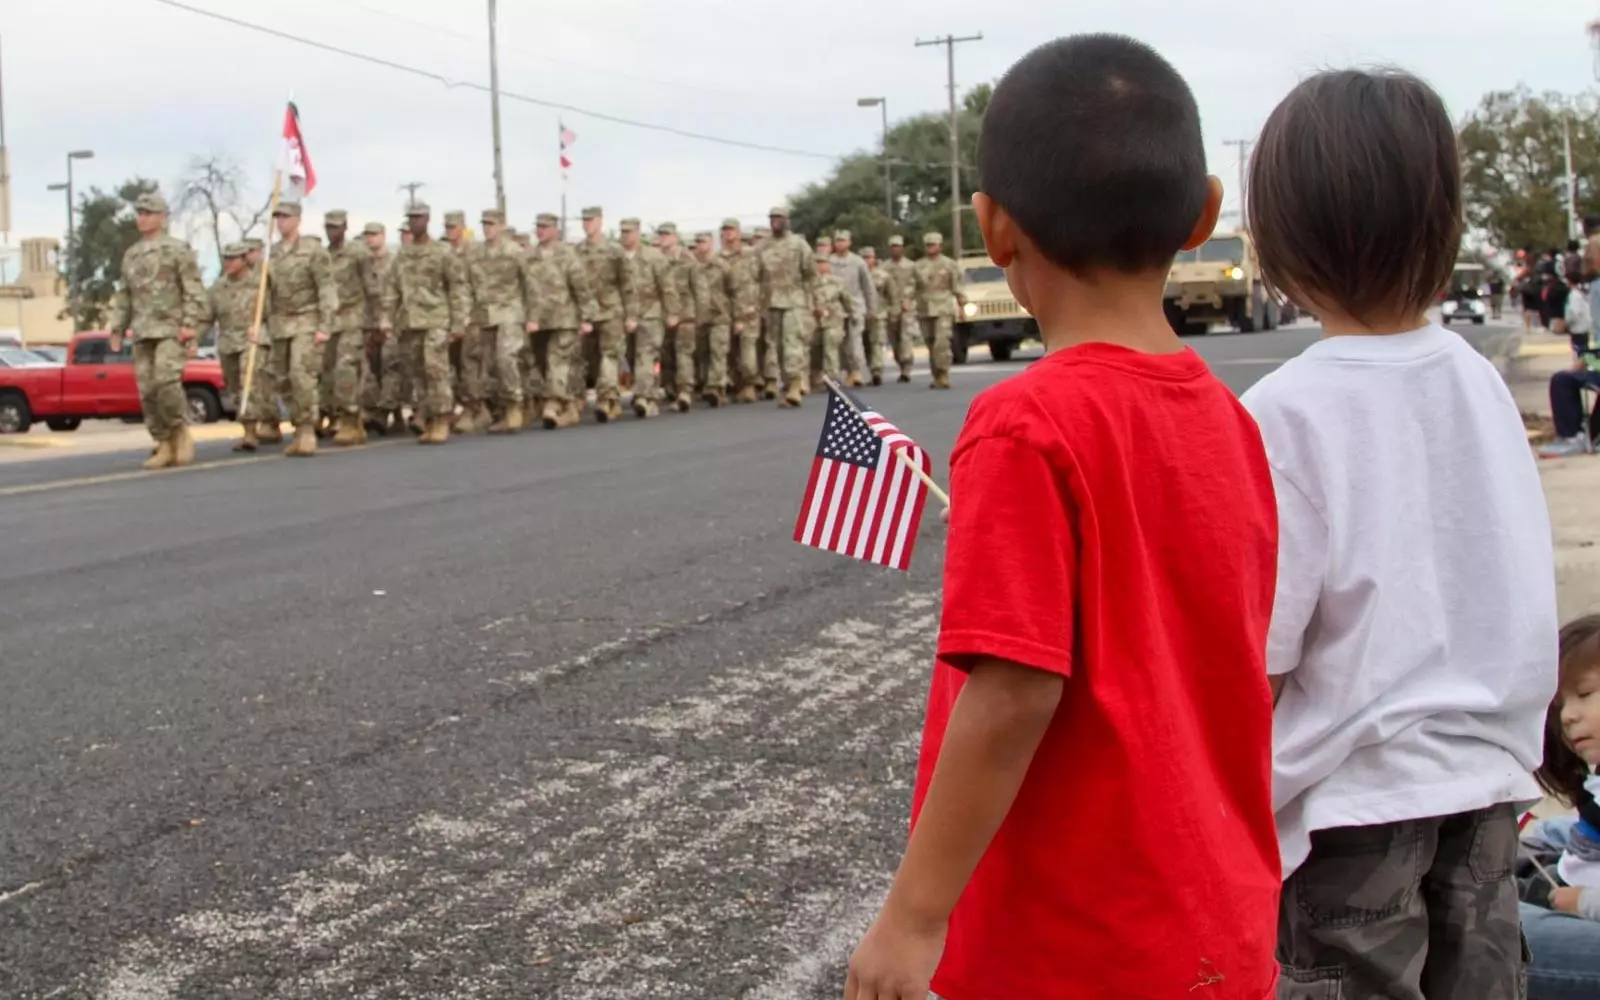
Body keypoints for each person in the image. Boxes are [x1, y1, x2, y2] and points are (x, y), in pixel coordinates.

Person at [845, 35, 1280, 1000]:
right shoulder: (1231, 421)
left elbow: (1011, 694)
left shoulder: (1024, 424)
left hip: (1071, 948)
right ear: (1204, 213)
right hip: (1218, 922)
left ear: (994, 230)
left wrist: (913, 917)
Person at [1241, 68, 1557, 997]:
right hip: (1486, 789)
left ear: (1282, 240)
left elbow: (1259, 648)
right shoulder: (1476, 380)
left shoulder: (1284, 412)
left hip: (1350, 808)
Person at [107, 192, 206, 470]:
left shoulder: (177, 250)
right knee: (147, 390)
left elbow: (194, 289)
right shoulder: (132, 255)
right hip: (142, 331)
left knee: (166, 382)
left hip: (171, 330)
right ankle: (163, 442)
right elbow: (124, 295)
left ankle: (179, 431)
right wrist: (117, 327)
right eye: (139, 213)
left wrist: (191, 324)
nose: (143, 218)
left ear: (162, 217)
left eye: (149, 213)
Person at [380, 202, 470, 444]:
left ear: (427, 220)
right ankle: (427, 415)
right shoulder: (403, 255)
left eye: (418, 218)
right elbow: (391, 289)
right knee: (417, 373)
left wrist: (459, 323)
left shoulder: (442, 252)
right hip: (409, 322)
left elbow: (457, 287)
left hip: (436, 320)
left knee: (436, 369)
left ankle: (441, 417)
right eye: (410, 218)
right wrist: (386, 318)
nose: (414, 222)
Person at [264, 199, 336, 458]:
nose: (280, 221)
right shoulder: (271, 253)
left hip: (307, 319)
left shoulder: (312, 250)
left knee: (300, 373)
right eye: (277, 217)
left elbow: (326, 288)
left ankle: (307, 429)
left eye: (285, 216)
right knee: (283, 379)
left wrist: (325, 325)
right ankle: (297, 425)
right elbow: (265, 292)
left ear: (297, 219)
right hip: (280, 323)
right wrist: (258, 323)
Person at [466, 209, 536, 434]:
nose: (488, 228)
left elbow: (530, 285)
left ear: (502, 225)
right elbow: (468, 285)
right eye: (485, 224)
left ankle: (515, 405)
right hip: (485, 315)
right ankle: (502, 410)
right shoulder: (476, 253)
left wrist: (532, 316)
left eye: (492, 224)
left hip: (510, 313)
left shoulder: (515, 252)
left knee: (506, 357)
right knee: (491, 365)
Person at [525, 211, 596, 430]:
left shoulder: (567, 255)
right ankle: (570, 405)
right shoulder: (529, 256)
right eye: (538, 226)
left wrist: (587, 316)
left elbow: (581, 288)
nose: (540, 231)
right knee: (543, 363)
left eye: (545, 227)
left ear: (556, 230)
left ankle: (554, 405)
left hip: (564, 319)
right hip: (538, 321)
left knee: (558, 362)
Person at [204, 242, 274, 452]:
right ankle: (258, 423)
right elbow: (207, 317)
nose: (229, 263)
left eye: (233, 259)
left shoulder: (259, 285)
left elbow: (272, 313)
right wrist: (192, 340)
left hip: (252, 340)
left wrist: (261, 328)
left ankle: (251, 432)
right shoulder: (218, 288)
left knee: (249, 384)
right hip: (228, 343)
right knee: (234, 387)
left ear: (244, 260)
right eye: (226, 258)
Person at [573, 206, 639, 424]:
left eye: (591, 220)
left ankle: (606, 399)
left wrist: (631, 315)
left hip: (611, 311)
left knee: (609, 356)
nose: (587, 224)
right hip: (588, 314)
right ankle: (610, 398)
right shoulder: (577, 251)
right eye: (584, 220)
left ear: (600, 221)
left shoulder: (614, 250)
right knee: (592, 360)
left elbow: (627, 284)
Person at [323, 210, 379, 446]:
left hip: (353, 319)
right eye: (328, 227)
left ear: (345, 227)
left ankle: (350, 417)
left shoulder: (358, 253)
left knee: (346, 368)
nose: (332, 232)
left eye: (336, 227)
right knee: (329, 373)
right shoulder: (323, 256)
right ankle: (346, 418)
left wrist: (376, 322)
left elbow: (372, 288)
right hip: (330, 321)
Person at [755, 205, 817, 408]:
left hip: (795, 302)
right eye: (772, 217)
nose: (775, 221)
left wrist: (812, 302)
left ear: (787, 220)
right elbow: (755, 276)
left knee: (792, 345)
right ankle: (787, 383)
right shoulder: (762, 247)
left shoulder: (799, 244)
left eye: (779, 217)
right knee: (778, 348)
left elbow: (810, 274)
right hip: (772, 303)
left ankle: (795, 384)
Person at [619, 217, 680, 419]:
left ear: (638, 233)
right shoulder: (618, 257)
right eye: (623, 232)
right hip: (626, 317)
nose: (625, 236)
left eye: (629, 232)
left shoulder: (653, 256)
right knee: (631, 357)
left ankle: (646, 398)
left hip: (651, 315)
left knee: (646, 357)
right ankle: (647, 393)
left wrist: (672, 312)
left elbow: (667, 286)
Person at [911, 231, 965, 389]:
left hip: (943, 308)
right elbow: (911, 287)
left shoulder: (949, 264)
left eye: (933, 245)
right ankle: (935, 375)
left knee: (942, 342)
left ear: (940, 246)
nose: (930, 248)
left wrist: (962, 306)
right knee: (930, 343)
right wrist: (906, 302)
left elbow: (957, 286)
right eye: (928, 245)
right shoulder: (918, 266)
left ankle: (943, 374)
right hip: (924, 309)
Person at [719, 219, 762, 404]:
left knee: (748, 351)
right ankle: (737, 385)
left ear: (738, 232)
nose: (728, 233)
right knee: (729, 352)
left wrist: (750, 311)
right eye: (725, 230)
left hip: (748, 310)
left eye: (731, 230)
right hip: (724, 311)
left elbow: (759, 281)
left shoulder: (751, 255)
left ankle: (750, 385)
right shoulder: (718, 258)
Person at [829, 229, 876, 387]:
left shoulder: (858, 262)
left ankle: (856, 371)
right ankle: (846, 371)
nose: (840, 243)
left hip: (855, 307)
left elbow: (868, 287)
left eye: (843, 240)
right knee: (839, 343)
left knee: (854, 341)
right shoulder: (829, 262)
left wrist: (871, 309)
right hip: (835, 309)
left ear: (849, 242)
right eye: (837, 240)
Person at [808, 254, 855, 386]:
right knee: (814, 349)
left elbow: (847, 299)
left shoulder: (837, 281)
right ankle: (814, 375)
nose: (820, 265)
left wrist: (851, 314)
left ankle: (832, 377)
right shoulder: (809, 282)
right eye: (817, 262)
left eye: (822, 262)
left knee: (831, 348)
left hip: (833, 319)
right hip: (814, 321)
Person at [884, 235, 919, 383]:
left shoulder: (911, 266)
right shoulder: (884, 267)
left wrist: (911, 301)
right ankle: (900, 364)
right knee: (894, 340)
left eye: (898, 246)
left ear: (902, 248)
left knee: (906, 338)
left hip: (907, 308)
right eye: (893, 246)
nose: (895, 249)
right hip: (891, 308)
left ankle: (907, 368)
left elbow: (918, 285)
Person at [860, 246, 894, 386]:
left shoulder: (883, 275)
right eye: (864, 257)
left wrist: (892, 312)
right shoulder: (856, 275)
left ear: (874, 258)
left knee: (877, 343)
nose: (867, 260)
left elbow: (892, 295)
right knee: (866, 344)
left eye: (869, 257)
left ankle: (877, 371)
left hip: (879, 315)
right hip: (861, 315)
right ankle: (870, 367)